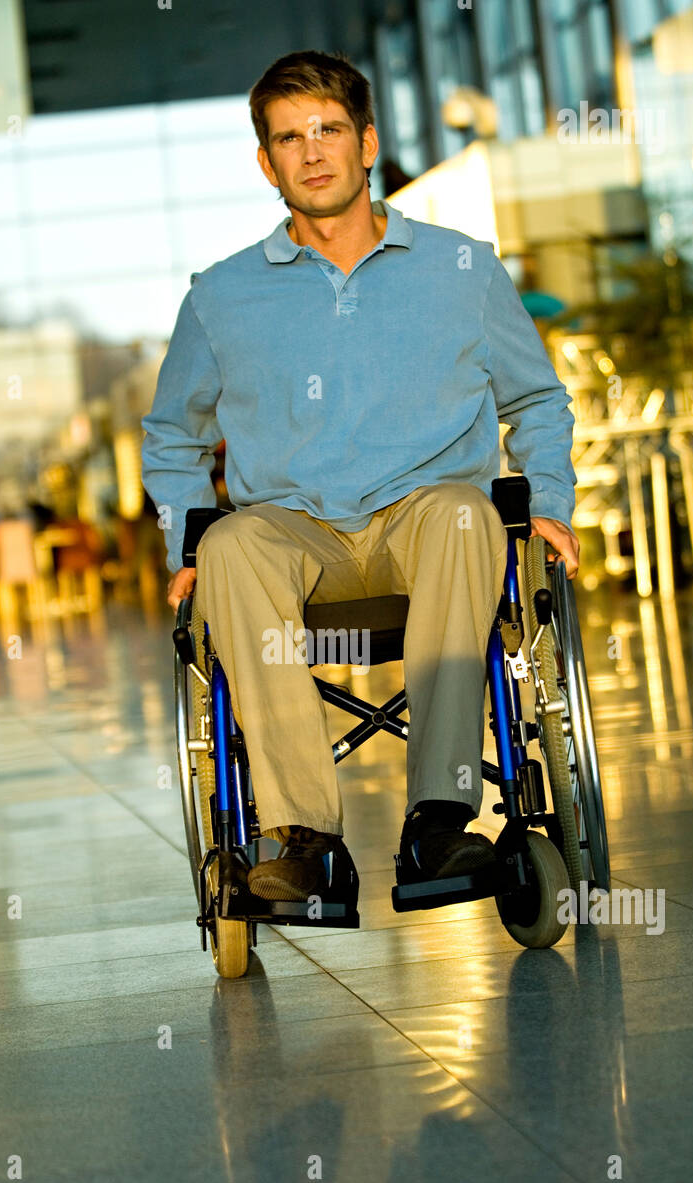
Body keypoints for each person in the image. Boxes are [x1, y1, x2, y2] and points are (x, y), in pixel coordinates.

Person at [141, 50, 579, 906]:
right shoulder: (220, 296)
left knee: (464, 514)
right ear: (265, 163)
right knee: (231, 545)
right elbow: (171, 436)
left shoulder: (460, 267)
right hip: (298, 537)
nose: (311, 152)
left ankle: (437, 823)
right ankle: (307, 841)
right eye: (288, 138)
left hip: (428, 523)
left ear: (367, 142)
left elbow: (536, 398)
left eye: (329, 130)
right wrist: (185, 537)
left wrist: (551, 505)